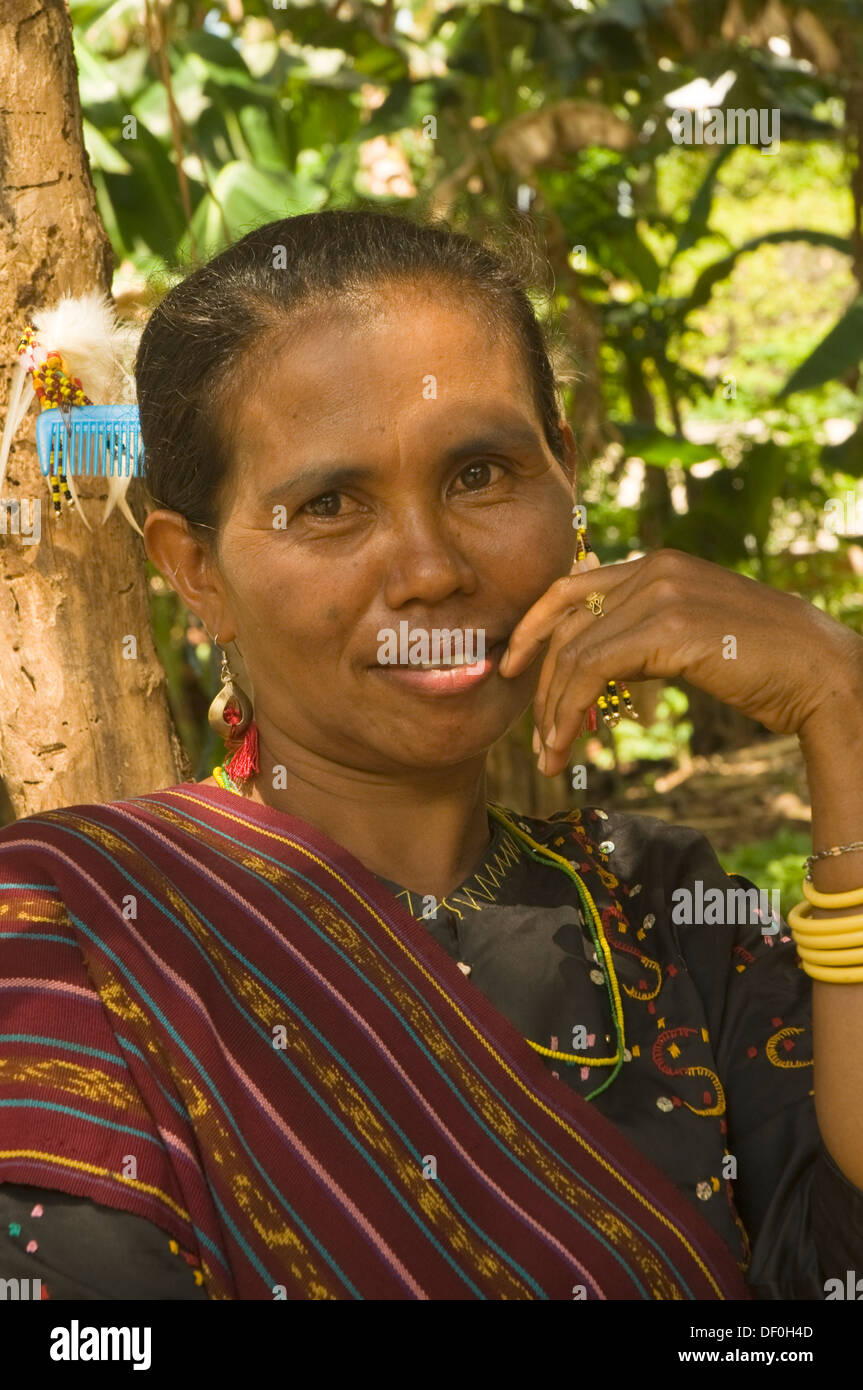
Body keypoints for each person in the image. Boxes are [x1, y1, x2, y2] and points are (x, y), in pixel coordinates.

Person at [1, 208, 862, 1301]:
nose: (428, 569)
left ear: (565, 474)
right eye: (328, 503)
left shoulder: (670, 916)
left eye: (479, 475)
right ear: (195, 569)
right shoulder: (67, 931)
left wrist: (845, 714)